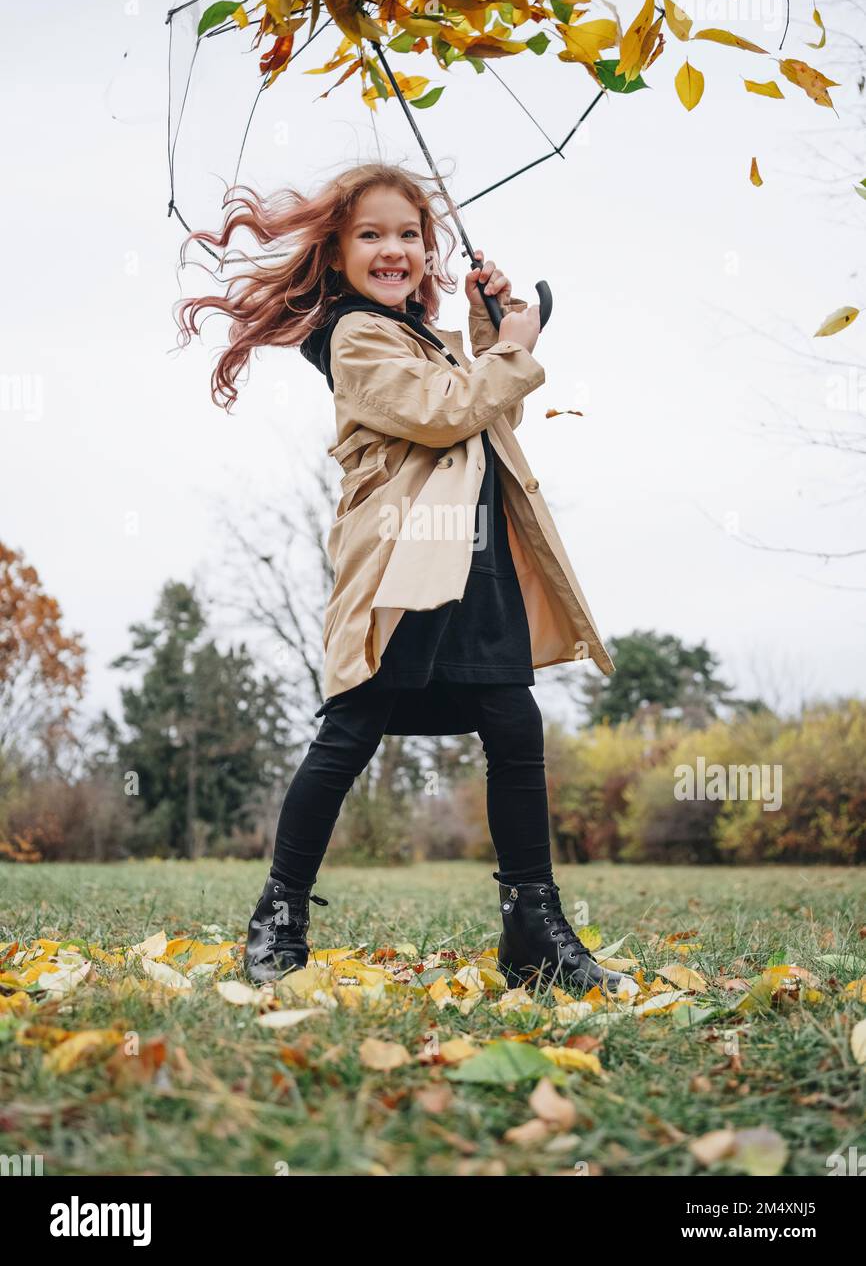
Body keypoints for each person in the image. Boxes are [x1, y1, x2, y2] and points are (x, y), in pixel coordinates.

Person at [174, 161, 624, 999]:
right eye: (370, 235)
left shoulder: (425, 336)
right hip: (407, 566)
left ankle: (534, 927)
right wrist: (515, 349)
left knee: (514, 728)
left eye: (409, 235)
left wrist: (490, 329)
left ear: (430, 248)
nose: (393, 249)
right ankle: (281, 914)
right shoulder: (355, 336)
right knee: (349, 732)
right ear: (338, 253)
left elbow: (484, 402)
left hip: (476, 561)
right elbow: (443, 412)